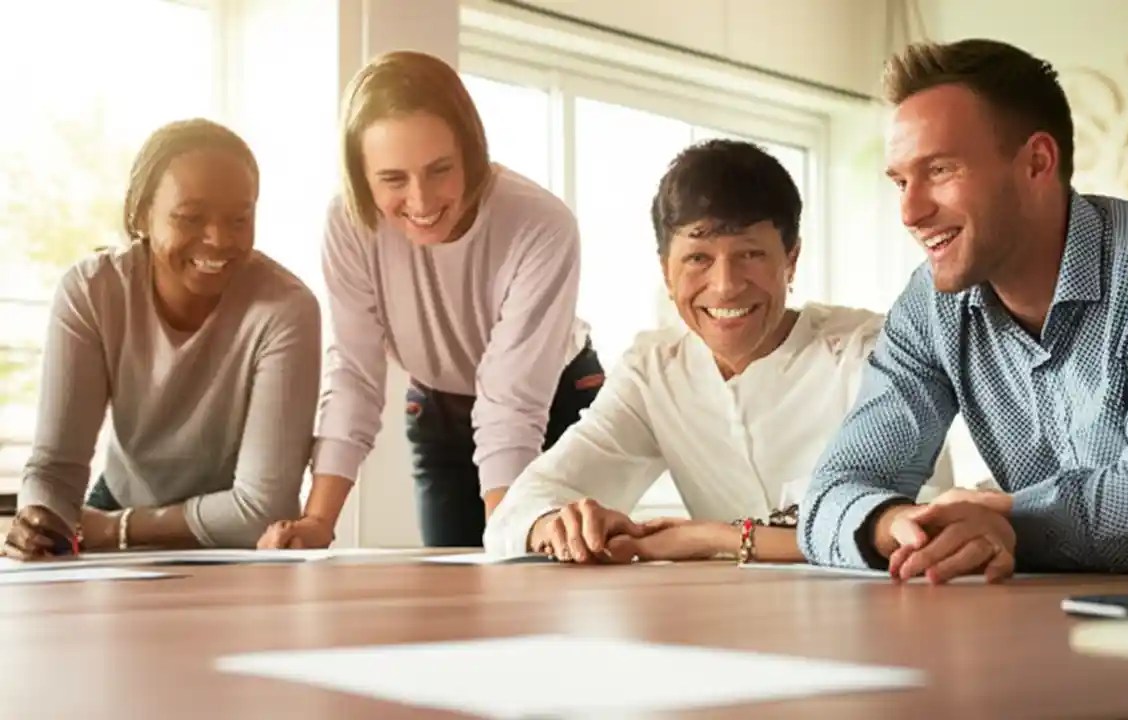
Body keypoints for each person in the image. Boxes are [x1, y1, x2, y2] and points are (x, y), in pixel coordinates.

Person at [799, 38, 1128, 584]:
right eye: (901, 181)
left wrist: (1001, 523)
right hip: (1057, 605)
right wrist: (899, 526)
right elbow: (829, 497)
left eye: (941, 170)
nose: (910, 212)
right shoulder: (931, 306)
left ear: (1037, 162)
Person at [485, 139, 953, 564]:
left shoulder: (870, 351)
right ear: (666, 272)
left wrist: (711, 538)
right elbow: (515, 514)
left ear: (791, 260)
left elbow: (912, 527)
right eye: (698, 258)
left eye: (750, 254)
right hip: (723, 615)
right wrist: (554, 524)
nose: (725, 286)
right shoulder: (653, 371)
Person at [258, 51, 601, 550]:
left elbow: (512, 400)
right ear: (361, 176)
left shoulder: (541, 224)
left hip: (556, 403)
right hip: (439, 407)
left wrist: (507, 539)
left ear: (470, 153)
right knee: (456, 584)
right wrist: (317, 522)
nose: (421, 201)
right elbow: (354, 374)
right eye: (393, 179)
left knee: (544, 573)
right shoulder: (349, 224)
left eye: (440, 170)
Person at [3, 119, 321, 559]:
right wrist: (40, 520)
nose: (219, 240)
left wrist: (115, 529)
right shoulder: (92, 292)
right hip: (116, 507)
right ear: (141, 215)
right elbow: (55, 470)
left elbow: (260, 510)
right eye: (190, 218)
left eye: (239, 219)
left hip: (230, 540)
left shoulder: (285, 308)